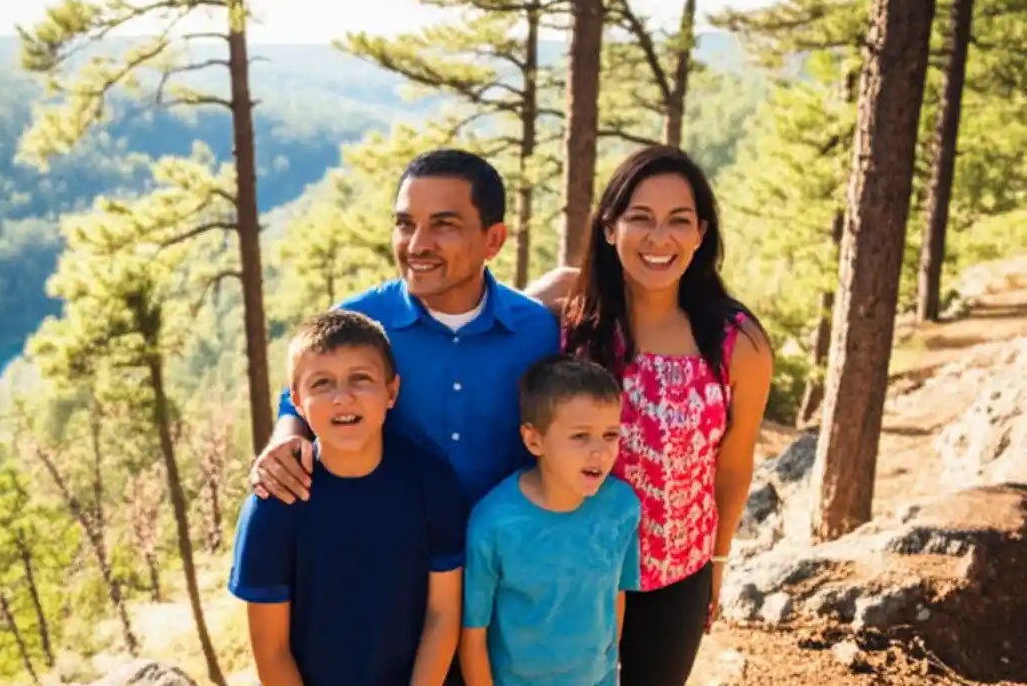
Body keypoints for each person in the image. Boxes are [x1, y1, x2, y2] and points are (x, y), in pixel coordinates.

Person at [533, 145, 774, 685]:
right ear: (610, 228)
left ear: (701, 233)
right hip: (571, 571)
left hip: (676, 576)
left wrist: (717, 564)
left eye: (678, 221)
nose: (658, 238)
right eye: (640, 218)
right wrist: (296, 410)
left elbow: (733, 464)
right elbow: (476, 330)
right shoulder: (567, 321)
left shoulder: (737, 342)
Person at [249, 148, 560, 506]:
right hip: (391, 549)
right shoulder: (357, 321)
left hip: (503, 554)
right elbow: (301, 394)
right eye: (405, 224)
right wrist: (286, 434)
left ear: (493, 240)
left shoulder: (537, 331)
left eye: (444, 225)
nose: (417, 245)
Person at [228, 309, 468, 685]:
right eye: (322, 384)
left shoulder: (431, 481)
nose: (343, 397)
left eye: (361, 379)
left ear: (392, 392)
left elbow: (442, 614)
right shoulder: (276, 502)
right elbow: (271, 651)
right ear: (297, 400)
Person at [459, 354, 640, 686]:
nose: (599, 452)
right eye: (580, 436)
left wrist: (611, 672)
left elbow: (615, 596)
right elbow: (473, 637)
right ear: (533, 440)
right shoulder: (493, 524)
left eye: (610, 435)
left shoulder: (622, 507)